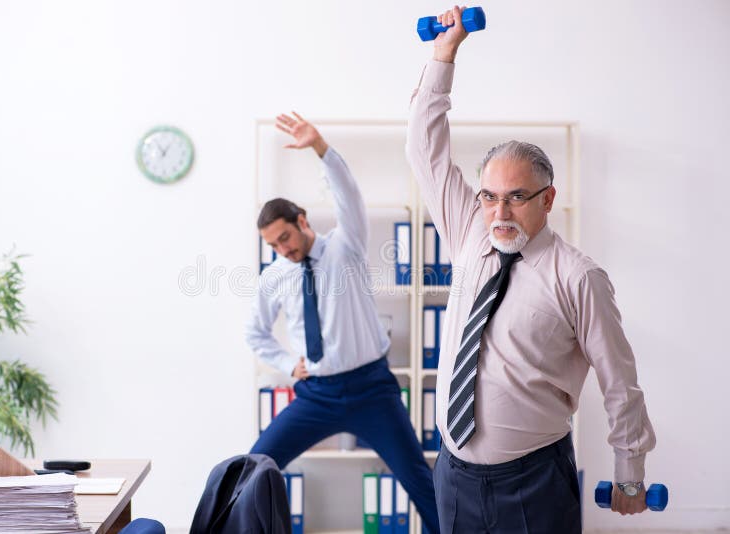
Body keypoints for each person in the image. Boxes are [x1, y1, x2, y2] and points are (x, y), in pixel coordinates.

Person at [406, 6, 657, 533]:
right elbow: (424, 151)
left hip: (534, 481)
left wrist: (630, 473)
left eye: (517, 198)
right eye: (490, 197)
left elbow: (619, 381)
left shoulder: (579, 277)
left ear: (548, 200)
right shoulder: (469, 232)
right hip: (451, 474)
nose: (499, 212)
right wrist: (442, 56)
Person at [246, 112, 440, 533]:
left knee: (421, 483)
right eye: (272, 245)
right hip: (316, 394)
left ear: (302, 221)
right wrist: (285, 364)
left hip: (372, 390)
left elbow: (348, 195)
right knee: (252, 471)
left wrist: (321, 148)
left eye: (285, 238)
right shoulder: (275, 275)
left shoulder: (344, 248)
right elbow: (255, 333)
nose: (282, 249)